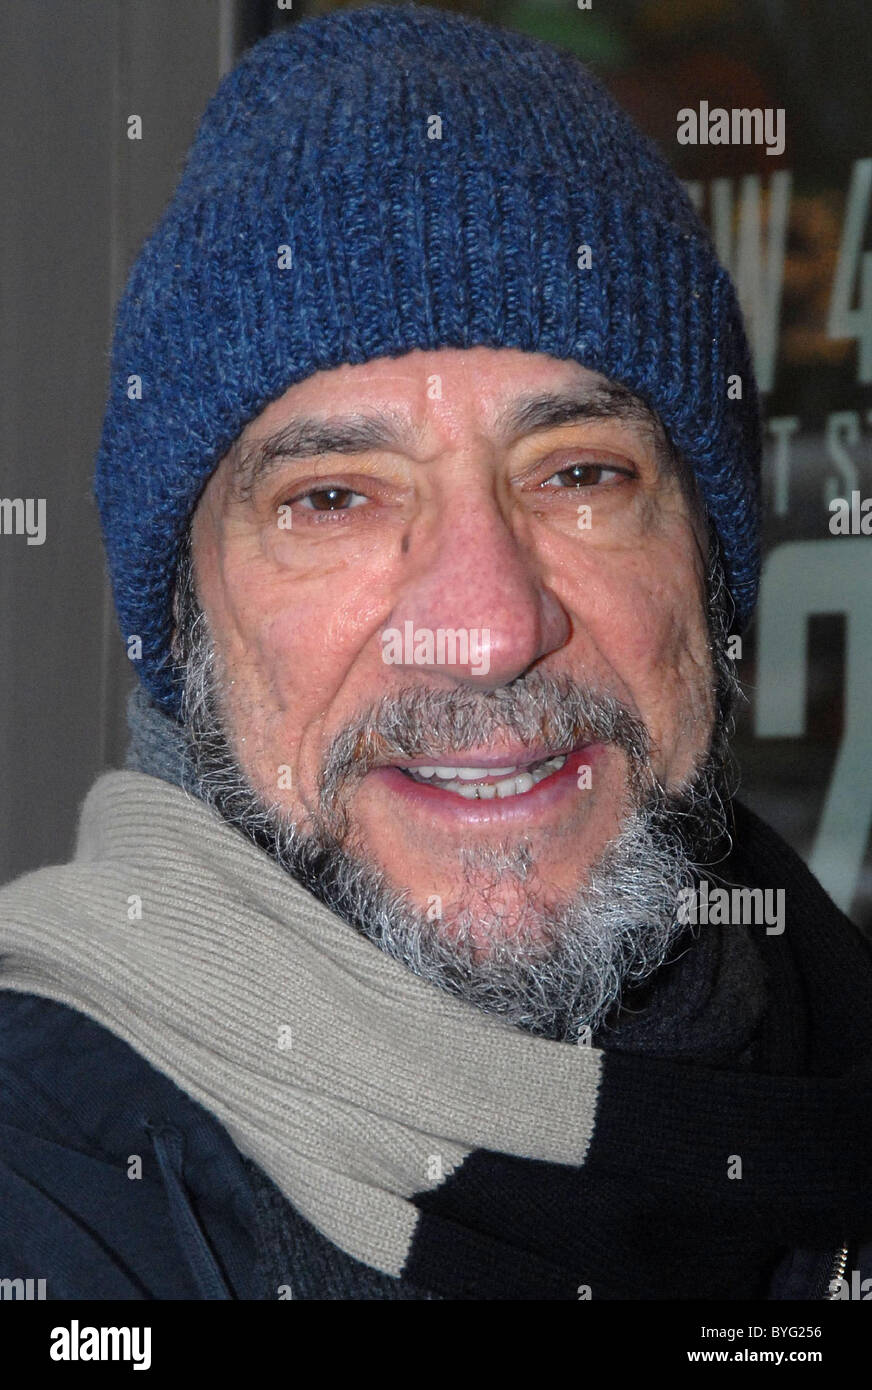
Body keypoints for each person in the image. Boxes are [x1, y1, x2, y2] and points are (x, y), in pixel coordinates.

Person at [1, 3, 869, 1301]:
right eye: (336, 497)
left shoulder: (828, 1054)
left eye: (579, 472)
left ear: (709, 565)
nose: (486, 627)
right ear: (185, 621)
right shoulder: (53, 1193)